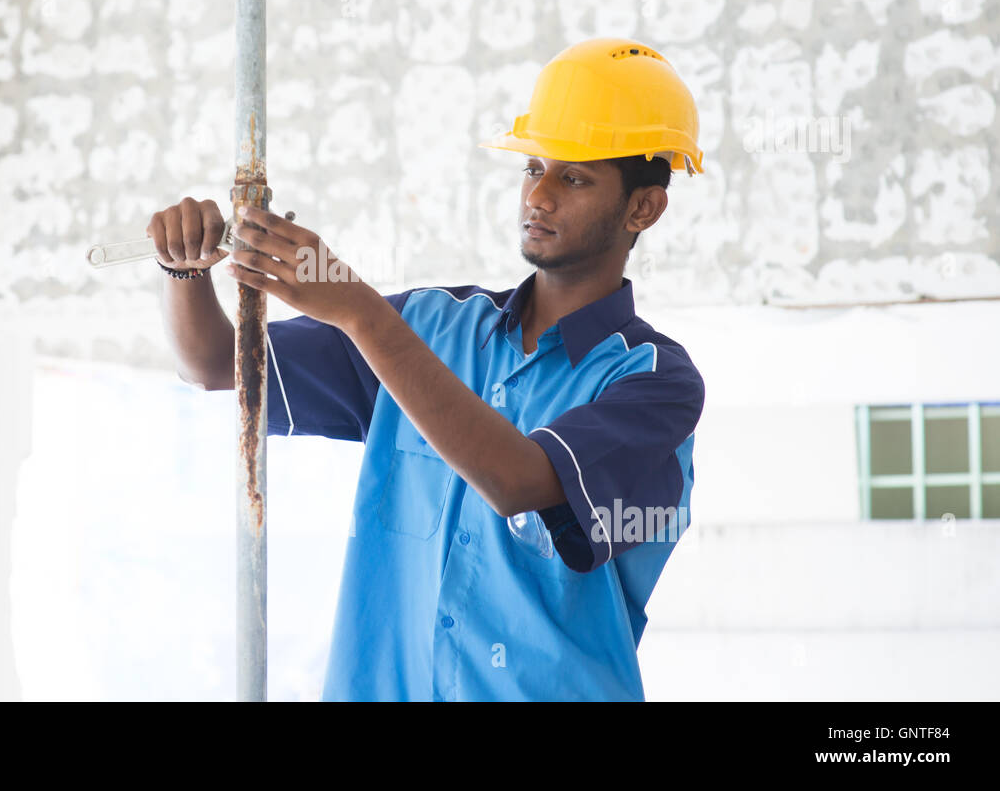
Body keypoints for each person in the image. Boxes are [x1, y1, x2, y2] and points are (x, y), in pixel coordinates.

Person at [150, 37, 707, 701]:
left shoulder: (654, 382)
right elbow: (217, 365)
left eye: (575, 177)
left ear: (643, 207)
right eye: (533, 166)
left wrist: (356, 309)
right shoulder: (431, 325)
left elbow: (517, 480)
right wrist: (184, 270)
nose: (538, 194)